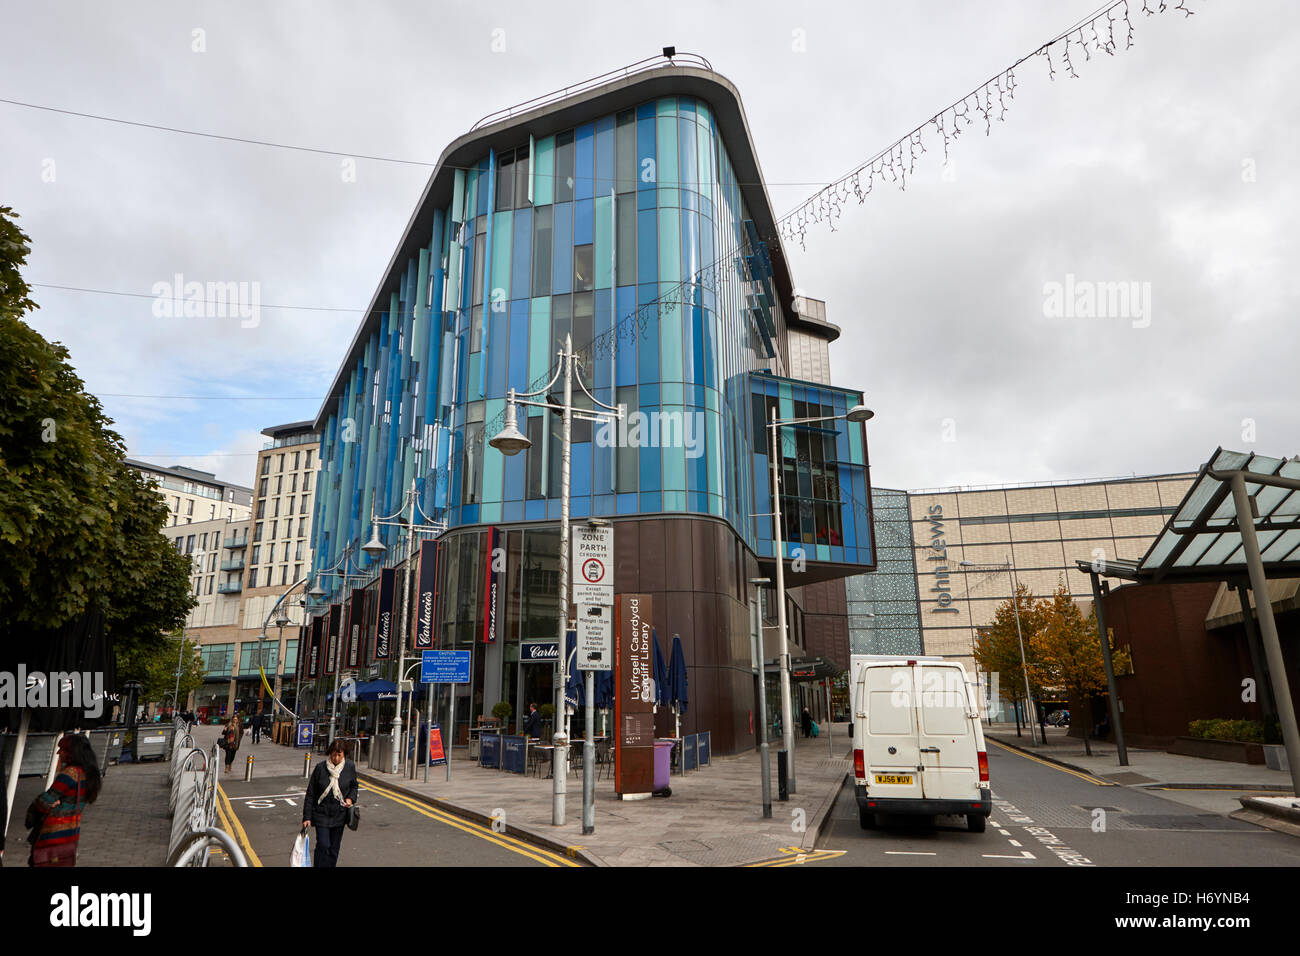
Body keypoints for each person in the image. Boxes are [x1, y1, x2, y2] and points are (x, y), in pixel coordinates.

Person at [27, 734, 102, 867]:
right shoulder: (88, 773)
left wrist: (47, 802)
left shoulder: (70, 773)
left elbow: (44, 802)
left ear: (71, 753)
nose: (58, 752)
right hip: (71, 832)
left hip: (53, 834)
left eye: (62, 749)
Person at [302, 739, 357, 868]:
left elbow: (354, 786)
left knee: (334, 848)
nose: (336, 758)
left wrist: (350, 799)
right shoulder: (320, 768)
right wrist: (307, 817)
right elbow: (310, 794)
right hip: (322, 813)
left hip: (339, 814)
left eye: (339, 755)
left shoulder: (349, 767)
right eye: (333, 754)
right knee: (323, 844)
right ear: (329, 753)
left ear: (344, 754)